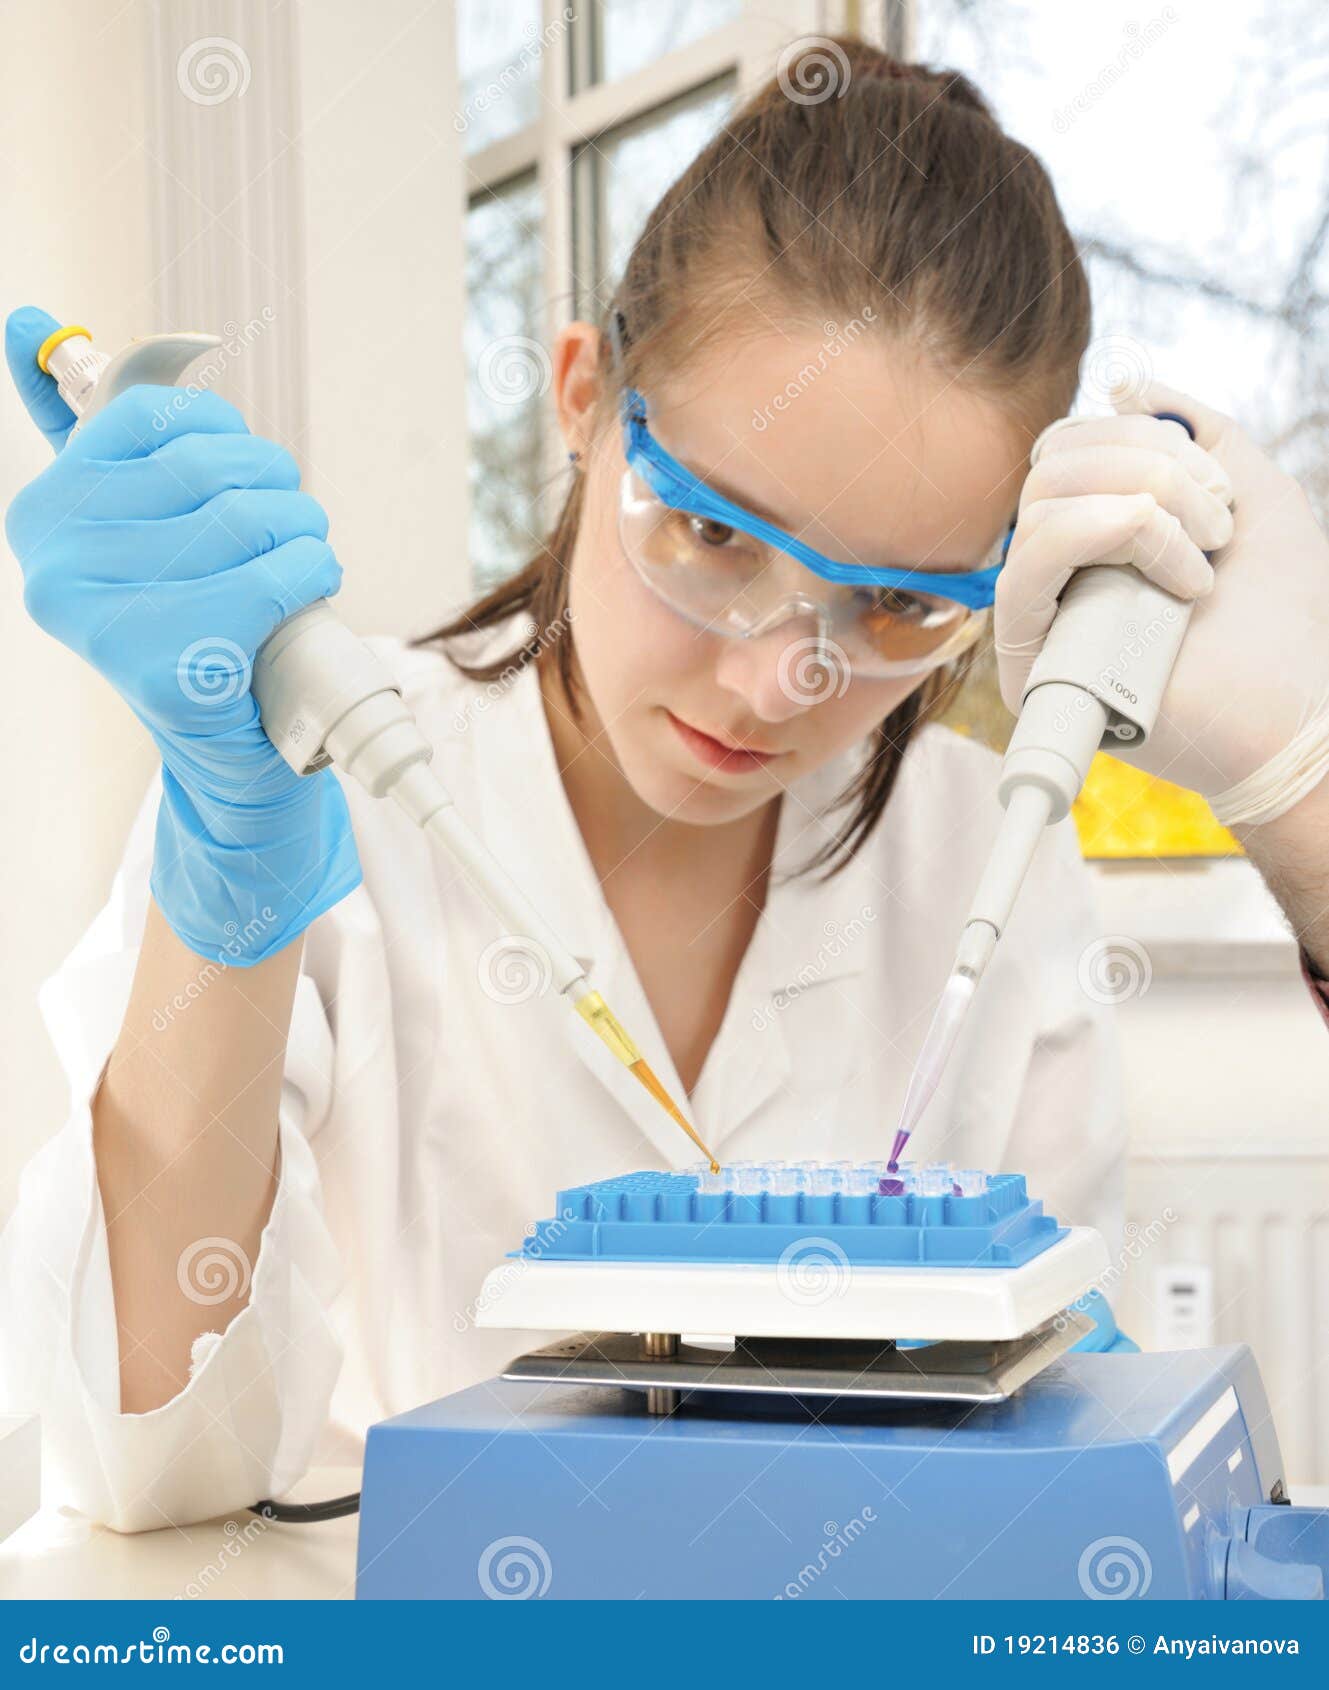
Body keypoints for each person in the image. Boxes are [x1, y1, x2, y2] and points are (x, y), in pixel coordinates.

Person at [2, 39, 1327, 1532]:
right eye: (710, 534)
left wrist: (1303, 787)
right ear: (580, 398)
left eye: (895, 606)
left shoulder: (975, 849)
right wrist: (229, 895)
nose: (781, 681)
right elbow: (146, 1473)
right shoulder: (299, 788)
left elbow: (1028, 1439)